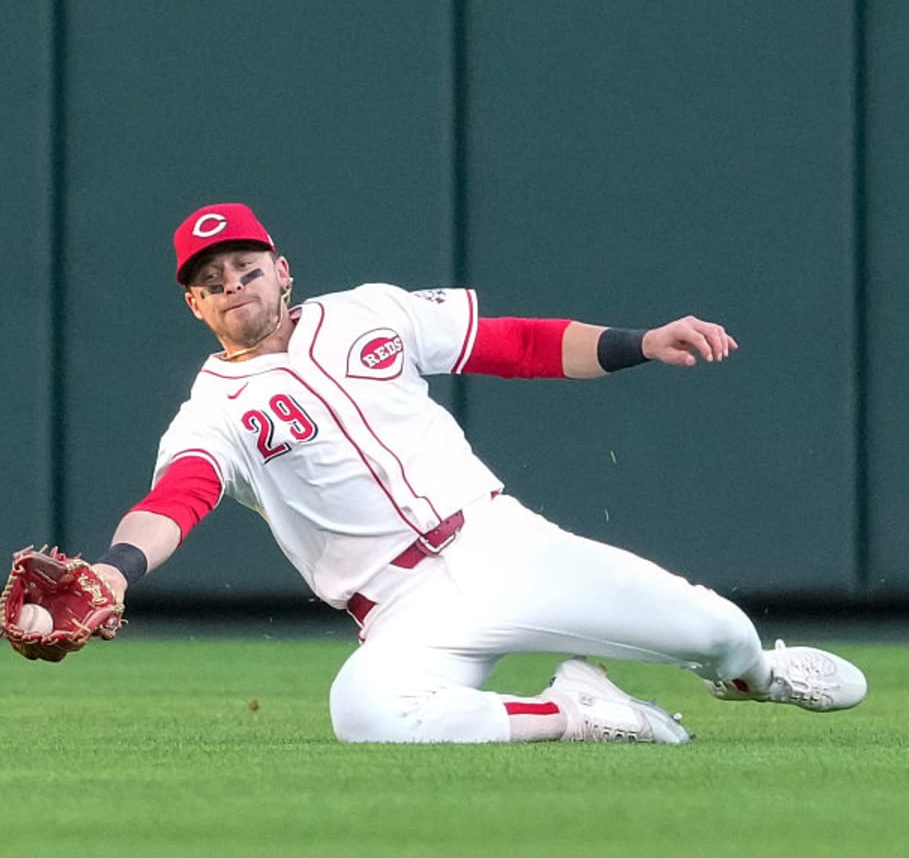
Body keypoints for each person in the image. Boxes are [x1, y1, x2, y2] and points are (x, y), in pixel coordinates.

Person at [77, 202, 866, 744]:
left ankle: (757, 675)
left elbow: (513, 345)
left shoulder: (369, 312)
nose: (232, 286)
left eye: (245, 267)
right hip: (403, 605)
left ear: (282, 270)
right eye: (210, 282)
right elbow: (176, 499)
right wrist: (116, 570)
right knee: (364, 712)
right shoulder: (211, 411)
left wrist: (641, 342)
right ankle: (575, 713)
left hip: (502, 544)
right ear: (195, 306)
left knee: (721, 632)